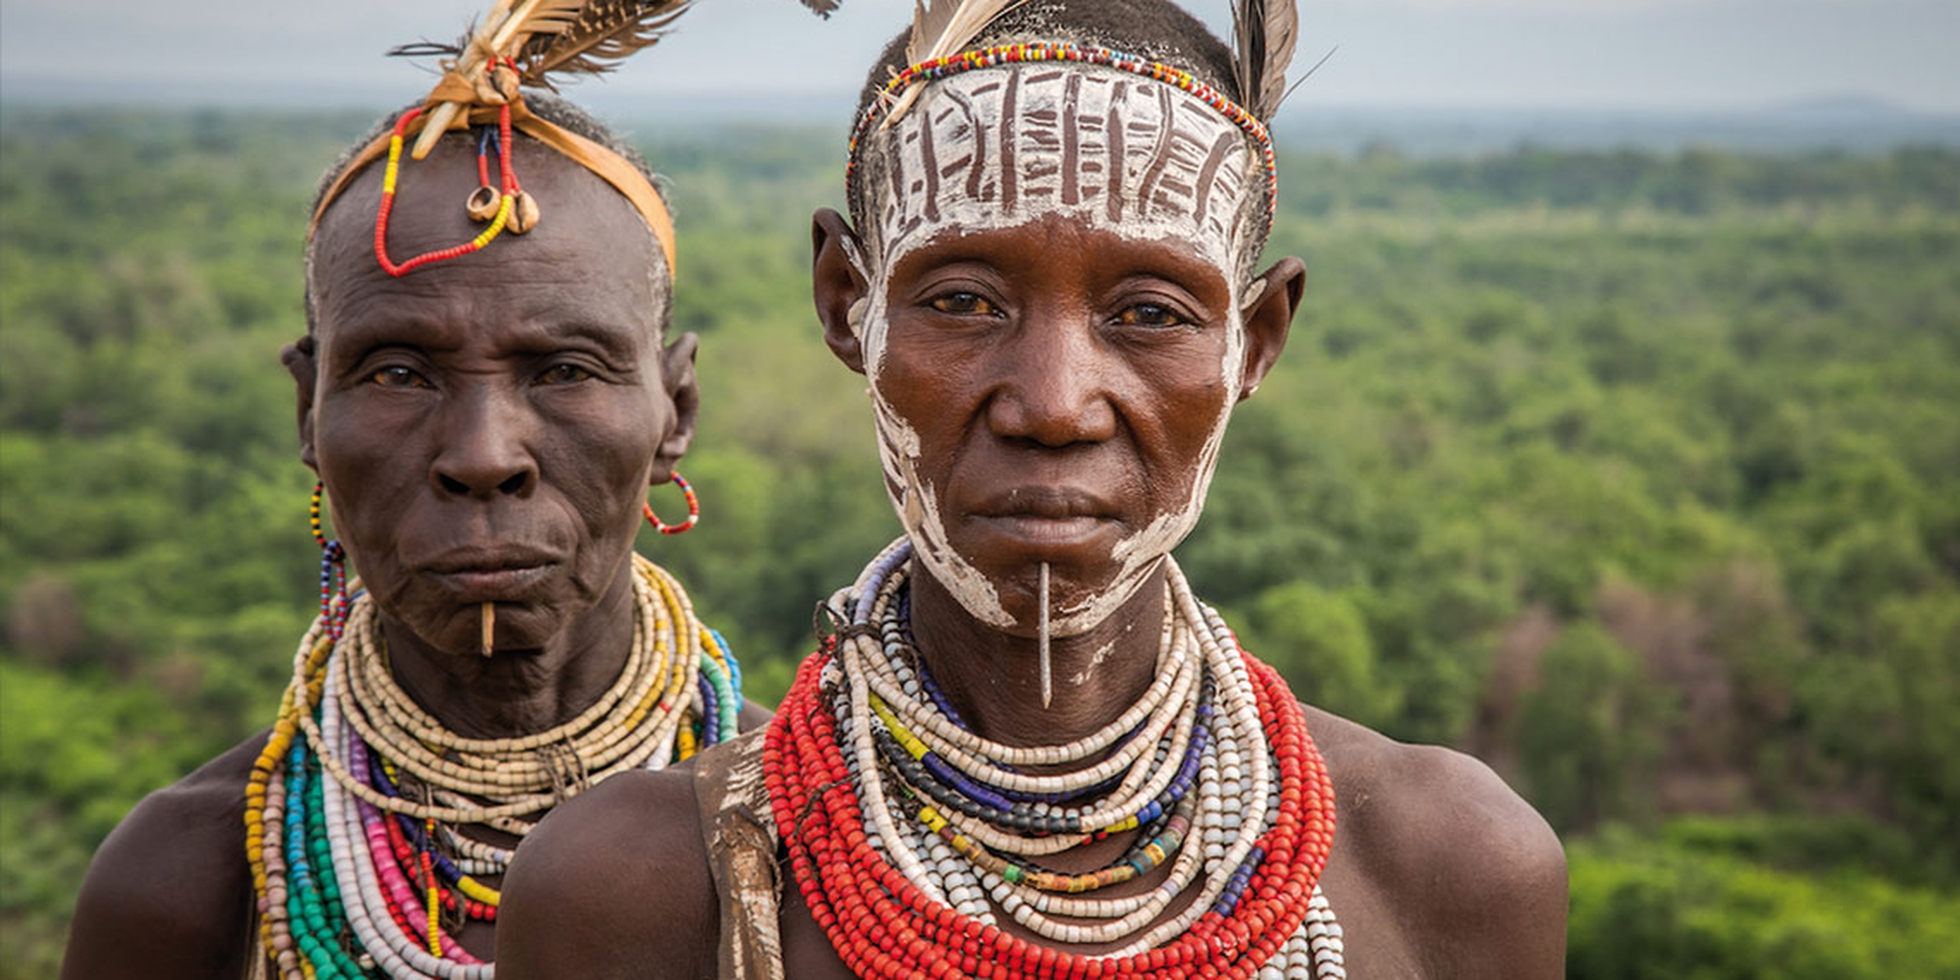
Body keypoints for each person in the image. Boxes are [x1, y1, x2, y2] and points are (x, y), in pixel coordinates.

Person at [496, 1, 1568, 977]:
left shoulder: (1451, 870)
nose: (1054, 405)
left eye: (1150, 314)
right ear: (847, 302)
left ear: (1256, 339)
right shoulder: (631, 895)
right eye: (963, 300)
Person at [60, 3, 770, 978]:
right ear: (308, 412)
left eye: (565, 369)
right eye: (398, 372)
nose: (482, 456)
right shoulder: (185, 885)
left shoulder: (826, 840)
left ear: (675, 409)